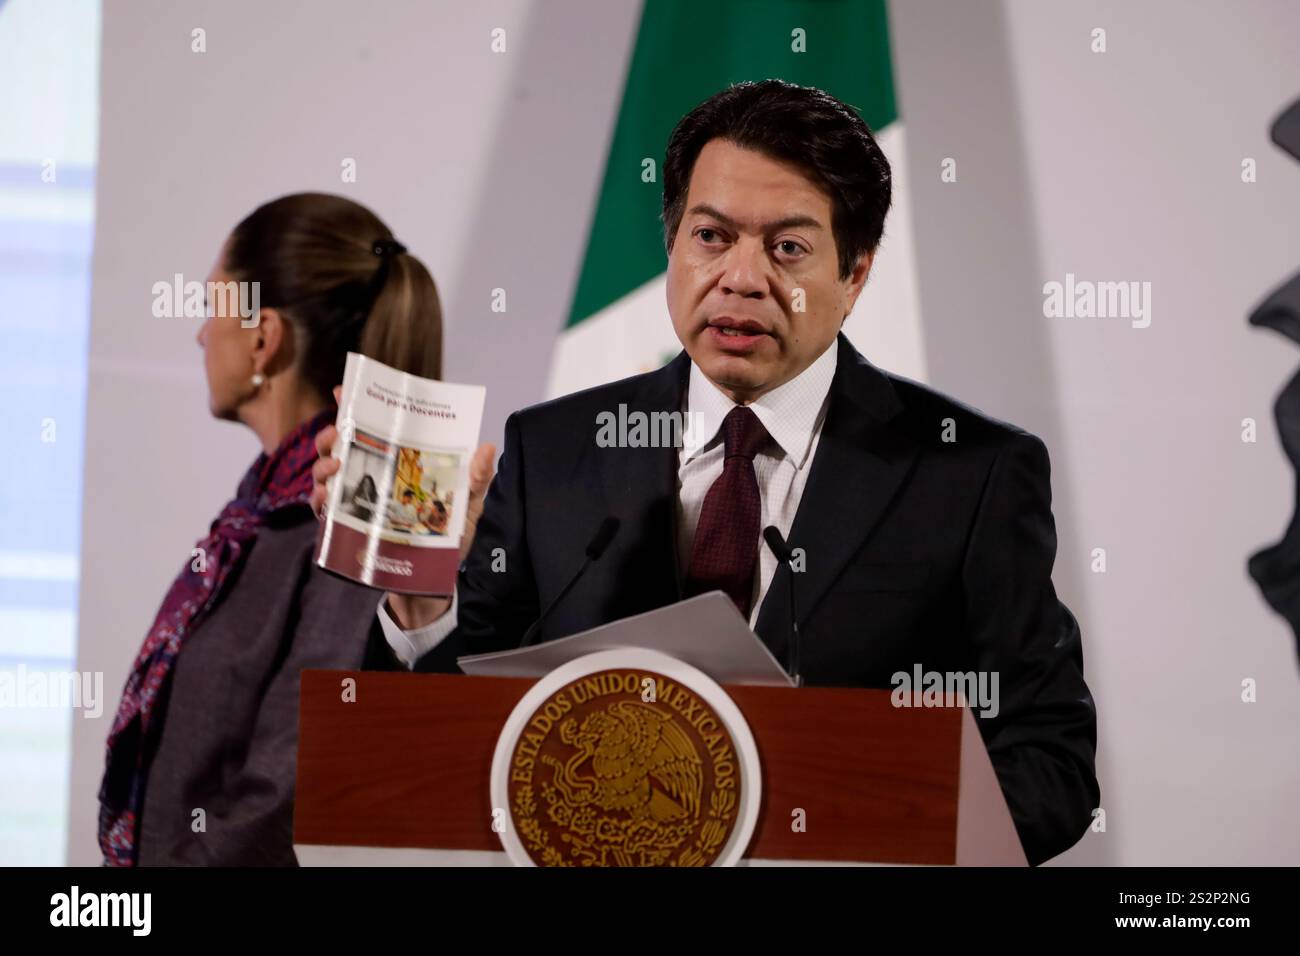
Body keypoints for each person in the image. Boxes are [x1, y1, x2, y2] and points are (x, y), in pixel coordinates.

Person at [312, 80, 1099, 865]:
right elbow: (445, 743)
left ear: (855, 274)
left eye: (787, 247)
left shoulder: (969, 472)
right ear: (672, 244)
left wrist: (868, 829)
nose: (741, 277)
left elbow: (1050, 761)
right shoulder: (552, 451)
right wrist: (423, 605)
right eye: (712, 236)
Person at [97, 192, 485, 866]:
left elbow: (289, 787)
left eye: (210, 305)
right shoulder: (259, 516)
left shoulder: (346, 510)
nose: (197, 334)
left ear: (262, 335)